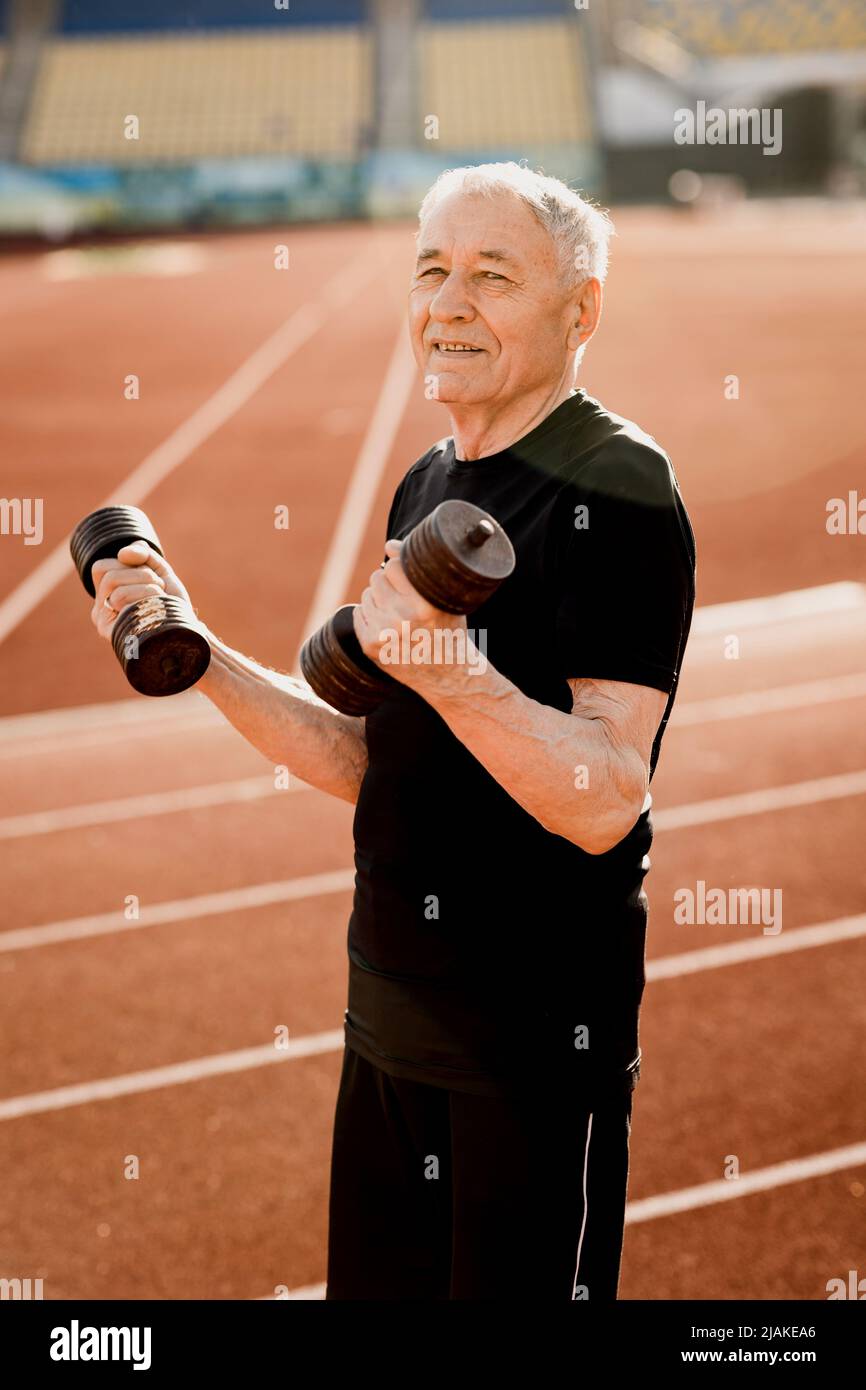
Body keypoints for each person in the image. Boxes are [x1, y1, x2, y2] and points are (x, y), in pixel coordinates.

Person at [89, 162, 696, 1301]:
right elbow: (377, 763)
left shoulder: (616, 484)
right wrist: (198, 653)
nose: (449, 303)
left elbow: (609, 790)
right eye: (431, 270)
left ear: (582, 309)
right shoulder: (428, 482)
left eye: (492, 276)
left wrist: (443, 669)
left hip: (526, 1050)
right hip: (388, 1018)